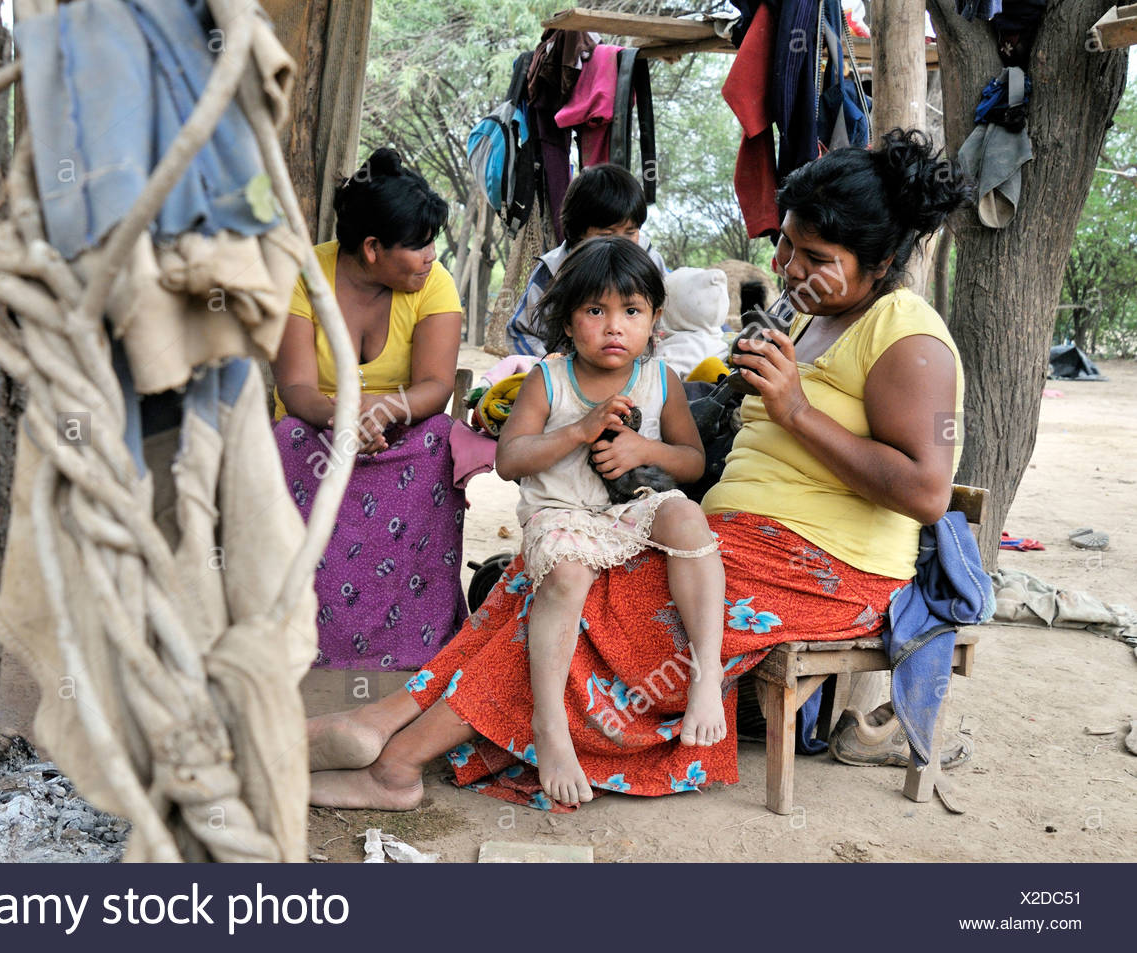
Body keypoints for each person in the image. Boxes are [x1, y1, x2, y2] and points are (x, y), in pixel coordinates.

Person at [306, 128, 972, 812]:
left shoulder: (907, 336)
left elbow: (925, 491)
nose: (791, 268)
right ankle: (382, 721)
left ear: (882, 258)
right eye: (788, 245)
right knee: (538, 573)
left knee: (594, 599)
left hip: (824, 565)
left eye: (816, 257)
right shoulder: (811, 317)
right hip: (737, 537)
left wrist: (796, 410)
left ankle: (397, 762)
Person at [491, 238, 725, 807]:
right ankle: (550, 725)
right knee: (567, 576)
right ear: (569, 323)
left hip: (630, 508)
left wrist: (645, 449)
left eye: (632, 311)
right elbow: (508, 460)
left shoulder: (661, 380)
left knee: (689, 518)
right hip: (562, 514)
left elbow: (691, 462)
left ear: (654, 321)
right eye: (596, 311)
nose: (614, 326)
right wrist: (577, 430)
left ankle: (706, 678)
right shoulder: (548, 378)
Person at [272, 149, 467, 671]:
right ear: (373, 248)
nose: (430, 256)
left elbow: (435, 386)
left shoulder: (435, 283)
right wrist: (345, 418)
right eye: (419, 245)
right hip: (319, 429)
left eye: (433, 243)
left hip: (397, 437)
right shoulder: (306, 274)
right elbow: (295, 388)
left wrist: (385, 411)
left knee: (439, 439)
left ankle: (413, 644)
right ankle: (294, 636)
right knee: (287, 438)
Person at [505, 164, 668, 357]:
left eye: (630, 233)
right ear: (578, 233)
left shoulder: (650, 262)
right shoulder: (554, 270)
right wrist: (547, 366)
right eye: (607, 235)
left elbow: (673, 324)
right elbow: (520, 332)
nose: (619, 244)